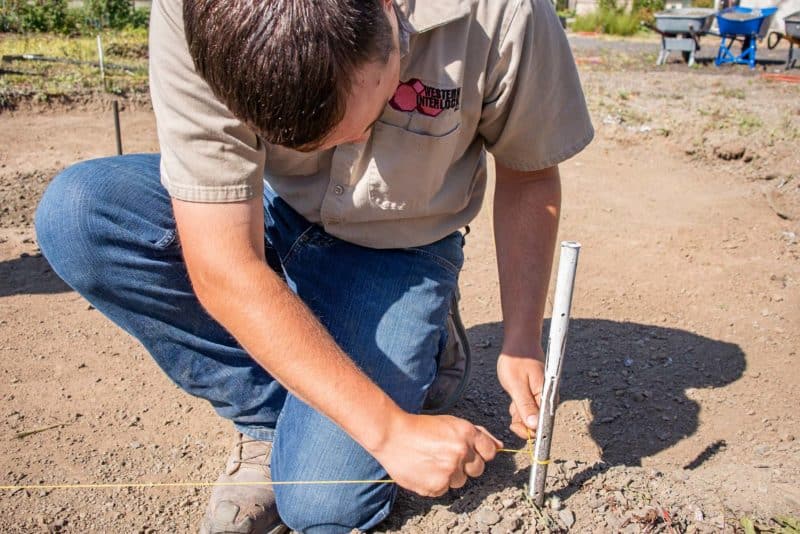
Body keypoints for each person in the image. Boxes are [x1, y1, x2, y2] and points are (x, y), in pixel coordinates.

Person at [34, 0, 594, 532]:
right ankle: (267, 416)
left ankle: (421, 334)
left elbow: (529, 172)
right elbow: (223, 260)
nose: (357, 142)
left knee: (323, 505)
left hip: (399, 247)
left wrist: (521, 338)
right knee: (80, 215)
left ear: (387, 13)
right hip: (264, 204)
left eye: (371, 115)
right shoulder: (195, 13)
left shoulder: (505, 12)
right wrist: (388, 431)